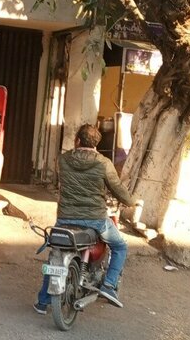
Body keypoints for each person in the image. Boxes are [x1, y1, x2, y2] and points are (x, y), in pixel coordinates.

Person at [35, 122, 139, 314]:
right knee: (120, 246)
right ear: (96, 144)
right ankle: (108, 285)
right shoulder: (103, 163)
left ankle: (43, 301)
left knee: (55, 255)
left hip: (65, 218)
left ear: (77, 140)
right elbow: (118, 190)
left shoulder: (63, 160)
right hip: (95, 219)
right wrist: (133, 201)